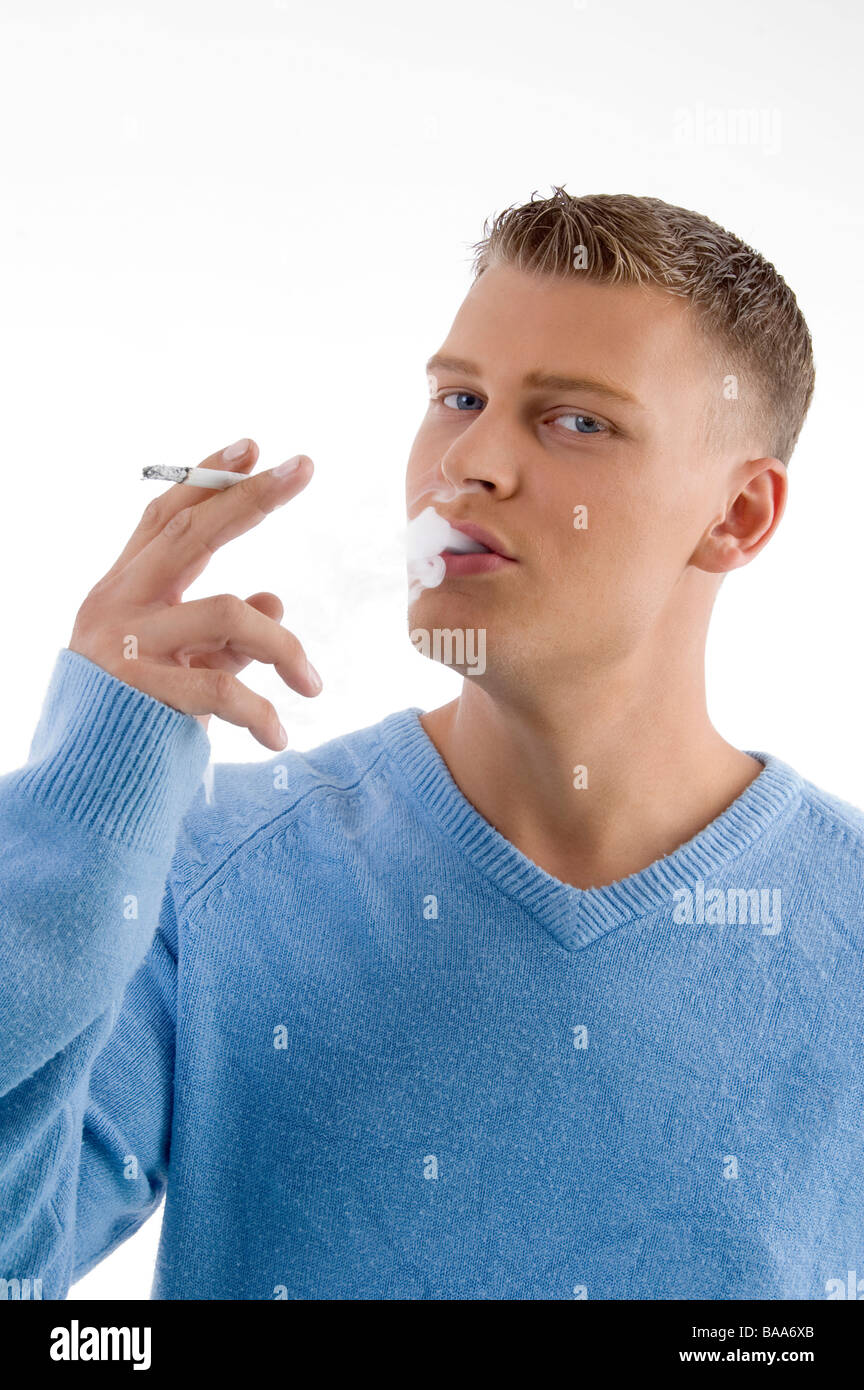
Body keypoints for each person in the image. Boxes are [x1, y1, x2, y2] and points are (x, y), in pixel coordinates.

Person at [2, 189, 862, 1301]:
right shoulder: (208, 878)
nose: (469, 463)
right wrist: (80, 815)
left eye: (577, 420)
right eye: (459, 396)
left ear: (738, 516)